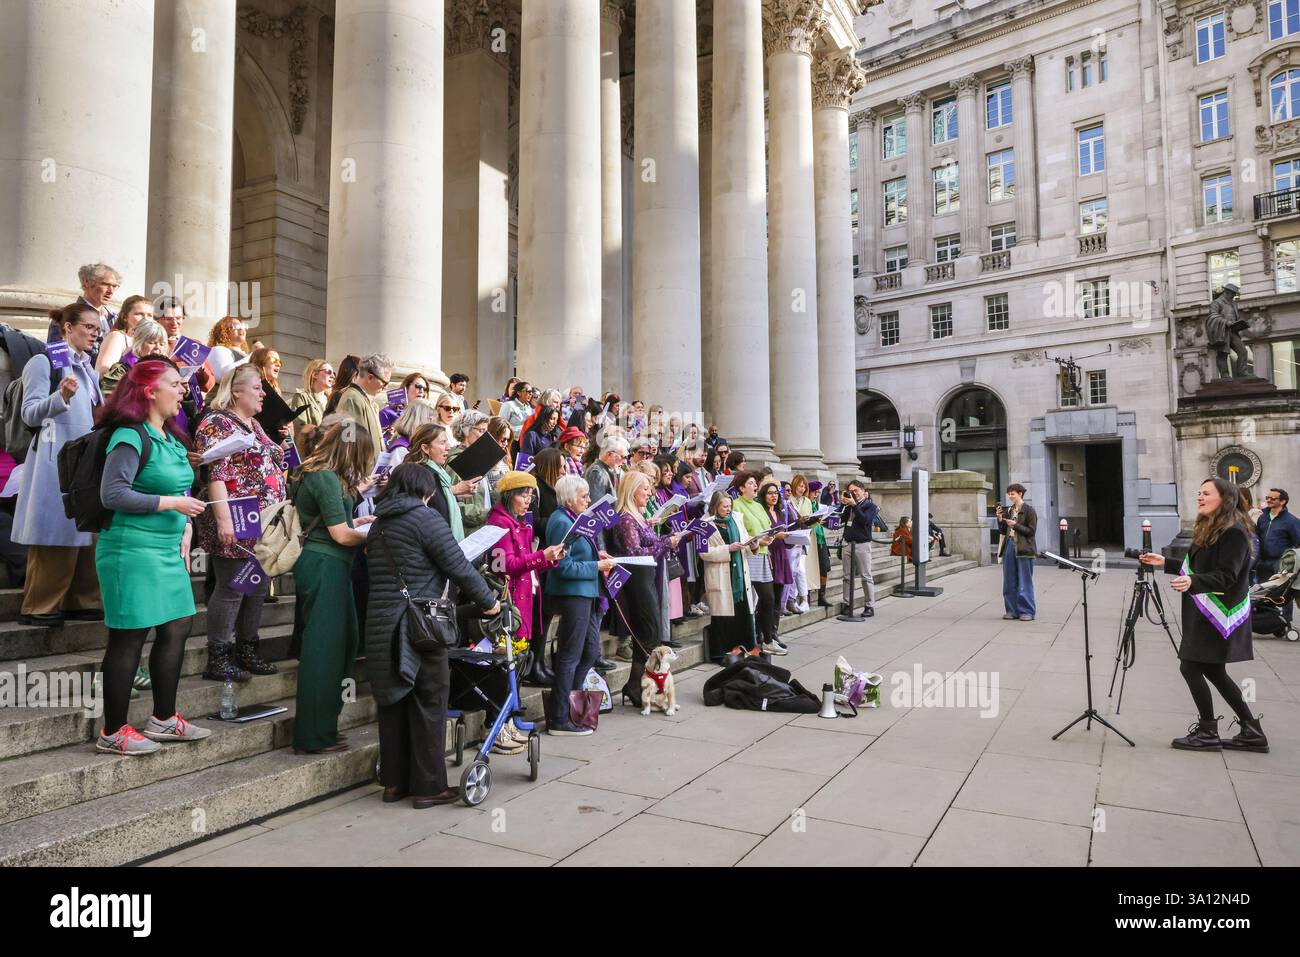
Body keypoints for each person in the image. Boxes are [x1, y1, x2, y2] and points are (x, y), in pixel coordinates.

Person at [93, 359, 211, 755]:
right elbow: (114, 494)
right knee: (129, 638)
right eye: (176, 384)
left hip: (165, 549)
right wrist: (172, 503)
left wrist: (187, 523)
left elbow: (183, 492)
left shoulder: (173, 439)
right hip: (131, 549)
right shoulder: (129, 436)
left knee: (177, 626)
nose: (184, 391)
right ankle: (113, 730)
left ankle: (164, 718)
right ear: (149, 391)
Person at [366, 462, 500, 806]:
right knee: (429, 701)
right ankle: (428, 788)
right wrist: (490, 603)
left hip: (381, 624)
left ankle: (394, 784)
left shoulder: (380, 524)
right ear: (424, 490)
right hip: (420, 625)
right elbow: (457, 565)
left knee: (394, 702)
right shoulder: (425, 518)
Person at [1139, 478, 1270, 752]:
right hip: (1203, 609)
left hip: (1218, 612)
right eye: (1198, 493)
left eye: (1206, 493)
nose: (1199, 497)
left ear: (1225, 498)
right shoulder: (1212, 526)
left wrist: (1193, 583)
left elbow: (1226, 576)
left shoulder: (1233, 531)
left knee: (1191, 666)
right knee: (1213, 670)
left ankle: (1209, 731)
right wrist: (1166, 563)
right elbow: (1199, 566)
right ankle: (1251, 730)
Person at [194, 364, 287, 680]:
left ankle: (246, 649)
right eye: (257, 388)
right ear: (236, 391)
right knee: (233, 586)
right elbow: (216, 472)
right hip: (236, 516)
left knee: (256, 586)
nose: (264, 394)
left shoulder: (253, 424)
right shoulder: (216, 422)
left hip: (262, 521)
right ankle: (217, 656)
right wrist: (224, 520)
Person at [13, 301, 104, 626]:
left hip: (85, 460)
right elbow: (29, 412)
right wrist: (60, 398)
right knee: (56, 533)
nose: (96, 333)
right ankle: (40, 605)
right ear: (68, 327)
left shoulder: (89, 369)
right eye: (89, 327)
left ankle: (81, 599)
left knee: (85, 531)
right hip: (54, 459)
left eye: (98, 329)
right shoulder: (45, 361)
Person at [291, 417, 378, 753]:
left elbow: (334, 525)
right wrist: (374, 535)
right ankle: (313, 735)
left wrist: (359, 522)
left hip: (330, 564)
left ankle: (324, 725)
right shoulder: (324, 477)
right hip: (325, 565)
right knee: (323, 653)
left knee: (344, 645)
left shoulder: (318, 473)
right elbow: (340, 535)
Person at [546, 474, 619, 732]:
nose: (588, 501)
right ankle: (558, 717)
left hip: (586, 592)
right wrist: (596, 565)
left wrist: (595, 553)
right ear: (568, 498)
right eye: (584, 496)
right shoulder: (560, 521)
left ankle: (573, 707)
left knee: (590, 652)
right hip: (572, 593)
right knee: (569, 655)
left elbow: (577, 552)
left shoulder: (573, 518)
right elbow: (562, 567)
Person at [486, 472, 566, 690]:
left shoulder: (520, 523)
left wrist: (551, 560)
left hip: (523, 599)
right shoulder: (500, 523)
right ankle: (505, 715)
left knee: (518, 660)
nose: (528, 500)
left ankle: (512, 712)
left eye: (530, 495)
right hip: (510, 602)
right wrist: (542, 556)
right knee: (508, 662)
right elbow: (504, 567)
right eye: (523, 495)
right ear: (509, 496)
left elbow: (525, 562)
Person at [701, 489, 757, 662]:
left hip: (739, 573)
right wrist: (727, 548)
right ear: (715, 506)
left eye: (730, 505)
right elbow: (703, 553)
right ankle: (721, 653)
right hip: (720, 574)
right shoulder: (705, 523)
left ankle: (743, 650)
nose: (728, 509)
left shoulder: (737, 518)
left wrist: (753, 544)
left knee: (742, 611)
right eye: (724, 506)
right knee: (722, 615)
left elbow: (745, 540)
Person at [405, 423, 478, 541]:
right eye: (442, 442)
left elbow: (438, 502)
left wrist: (455, 495)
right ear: (425, 448)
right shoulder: (421, 474)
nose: (448, 447)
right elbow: (430, 506)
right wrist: (456, 489)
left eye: (447, 442)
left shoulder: (436, 470)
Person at [840, 480, 887, 618]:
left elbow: (865, 520)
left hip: (862, 545)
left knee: (866, 576)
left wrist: (854, 505)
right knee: (847, 577)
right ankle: (848, 604)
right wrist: (843, 504)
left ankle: (869, 606)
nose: (853, 493)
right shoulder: (849, 505)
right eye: (851, 491)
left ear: (862, 490)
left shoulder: (870, 506)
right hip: (848, 543)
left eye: (856, 490)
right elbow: (842, 519)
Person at [47, 263, 119, 350]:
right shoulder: (65, 315)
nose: (111, 291)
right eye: (105, 284)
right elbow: (58, 358)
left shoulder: (114, 319)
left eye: (114, 286)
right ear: (87, 282)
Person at [997, 482, 1038, 622]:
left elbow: (1031, 532)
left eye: (1012, 494)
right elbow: (1003, 531)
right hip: (1009, 545)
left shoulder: (1029, 510)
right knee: (1009, 580)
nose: (1010, 496)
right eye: (1009, 494)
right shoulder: (1009, 510)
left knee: (1024, 581)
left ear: (1020, 493)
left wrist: (1016, 525)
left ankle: (1027, 611)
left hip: (1024, 548)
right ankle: (1011, 610)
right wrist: (1000, 519)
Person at [100, 319, 170, 397]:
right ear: (139, 342)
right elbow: (109, 398)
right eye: (152, 342)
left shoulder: (166, 372)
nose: (157, 347)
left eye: (161, 344)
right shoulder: (122, 370)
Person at [333, 352, 391, 447]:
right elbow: (348, 444)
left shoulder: (368, 401)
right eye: (384, 383)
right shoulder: (351, 399)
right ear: (370, 377)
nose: (385, 388)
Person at [95, 294, 153, 374]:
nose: (145, 319)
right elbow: (103, 373)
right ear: (124, 317)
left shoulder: (151, 342)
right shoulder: (117, 337)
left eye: (149, 315)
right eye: (139, 314)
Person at [788, 474, 821, 613]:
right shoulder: (789, 499)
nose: (802, 489)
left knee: (800, 569)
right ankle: (793, 599)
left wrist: (815, 520)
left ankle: (803, 599)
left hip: (804, 536)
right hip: (791, 536)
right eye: (800, 486)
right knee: (794, 569)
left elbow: (808, 519)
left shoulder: (807, 501)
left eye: (804, 486)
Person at [289, 358, 334, 450]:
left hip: (328, 455)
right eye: (329, 372)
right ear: (315, 375)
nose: (333, 375)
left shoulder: (331, 401)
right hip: (310, 454)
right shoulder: (301, 397)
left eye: (334, 373)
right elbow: (301, 429)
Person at [388, 399, 438, 466]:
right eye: (430, 419)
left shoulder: (417, 443)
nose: (434, 424)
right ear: (419, 420)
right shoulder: (401, 450)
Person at [206, 316, 251, 383]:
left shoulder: (244, 354)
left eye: (243, 326)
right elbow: (223, 377)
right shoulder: (218, 350)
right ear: (224, 331)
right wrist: (252, 357)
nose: (242, 329)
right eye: (237, 326)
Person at [533, 446, 565, 528]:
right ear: (548, 468)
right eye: (559, 467)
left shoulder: (559, 487)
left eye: (564, 467)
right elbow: (534, 523)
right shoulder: (534, 488)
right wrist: (563, 520)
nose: (563, 472)